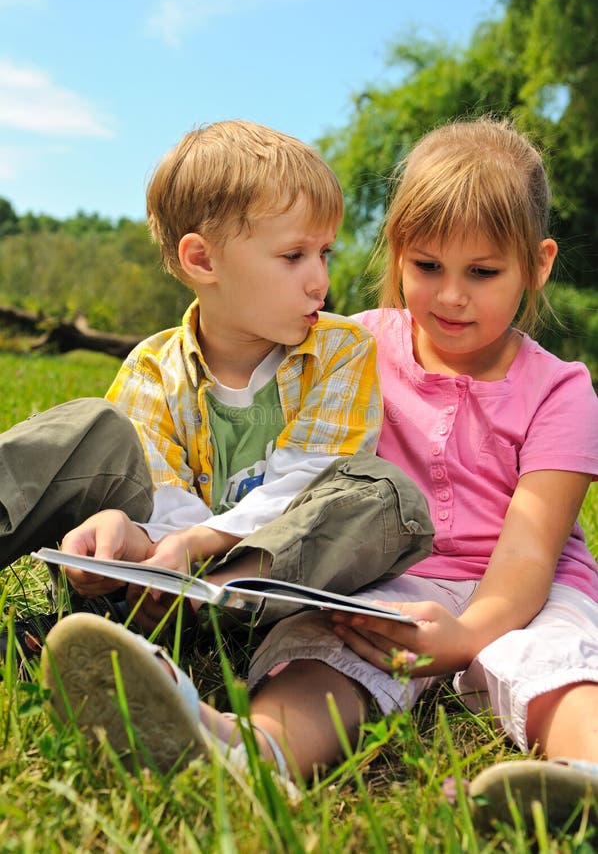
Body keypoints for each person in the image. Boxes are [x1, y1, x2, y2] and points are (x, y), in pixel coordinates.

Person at [42, 117, 598, 831]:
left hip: (525, 589)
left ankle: (582, 772)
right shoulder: (351, 347)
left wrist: (468, 636)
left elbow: (527, 552)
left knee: (558, 664)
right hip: (387, 579)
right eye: (428, 267)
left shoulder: (561, 389)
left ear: (539, 263)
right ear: (398, 254)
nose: (452, 296)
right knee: (322, 655)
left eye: (483, 273)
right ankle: (248, 753)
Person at [2, 119, 433, 658]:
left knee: (385, 494)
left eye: (325, 253)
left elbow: (307, 481)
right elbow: (154, 491)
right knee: (90, 425)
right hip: (146, 571)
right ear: (203, 260)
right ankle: (93, 624)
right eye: (293, 256)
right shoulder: (153, 368)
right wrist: (135, 536)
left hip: (260, 584)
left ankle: (116, 631)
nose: (319, 280)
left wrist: (197, 547)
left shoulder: (342, 350)